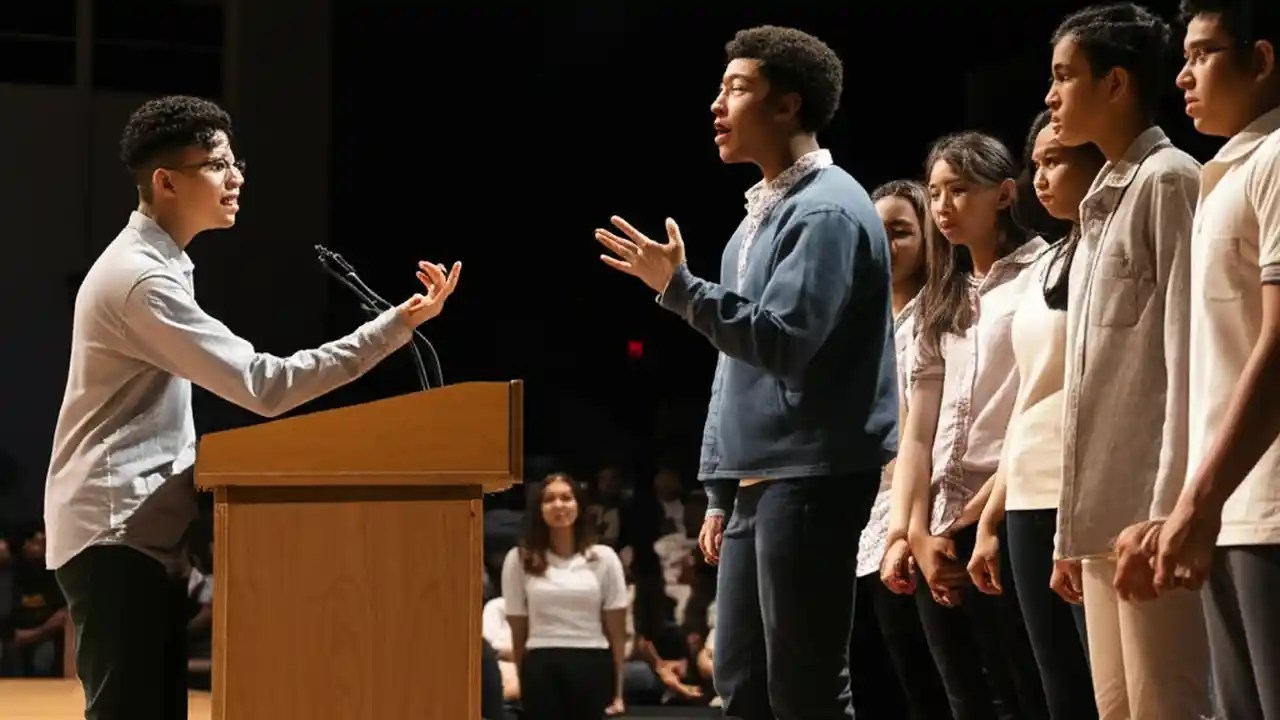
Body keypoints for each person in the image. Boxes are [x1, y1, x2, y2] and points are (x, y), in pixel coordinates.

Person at [44, 94, 460, 720]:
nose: (236, 178)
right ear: (165, 182)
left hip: (133, 532)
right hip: (115, 531)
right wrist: (390, 328)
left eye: (235, 162)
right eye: (216, 165)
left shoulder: (161, 265)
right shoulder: (142, 280)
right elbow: (265, 385)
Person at [594, 25, 897, 719]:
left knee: (806, 689)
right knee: (742, 687)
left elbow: (784, 343)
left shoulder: (825, 209)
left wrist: (681, 288)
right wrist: (721, 487)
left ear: (788, 106)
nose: (716, 105)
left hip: (811, 474)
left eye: (735, 88)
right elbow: (736, 368)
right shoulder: (759, 218)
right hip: (762, 478)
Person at [1044, 4, 1213, 717]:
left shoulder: (1170, 177)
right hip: (1102, 516)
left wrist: (1168, 509)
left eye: (1063, 77)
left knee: (1166, 705)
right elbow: (1092, 384)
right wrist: (1069, 531)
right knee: (1116, 709)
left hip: (1148, 511)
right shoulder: (1102, 200)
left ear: (1115, 84)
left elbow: (1186, 350)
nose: (1050, 96)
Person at [1112, 2, 1280, 717]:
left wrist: (1197, 500)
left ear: (1262, 60)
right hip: (1229, 510)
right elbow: (1199, 371)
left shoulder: (1275, 160)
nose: (1183, 76)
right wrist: (1181, 503)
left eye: (1204, 55)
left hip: (1268, 508)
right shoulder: (1228, 170)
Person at [883, 131, 1047, 720]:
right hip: (940, 522)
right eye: (935, 192)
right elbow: (918, 434)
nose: (944, 206)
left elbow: (1036, 405)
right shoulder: (940, 298)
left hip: (1005, 513)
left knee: (1029, 688)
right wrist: (914, 532)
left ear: (1004, 193)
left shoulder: (1043, 273)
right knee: (961, 699)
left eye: (959, 190)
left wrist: (981, 521)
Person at [967, 110, 1104, 720]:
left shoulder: (1108, 248)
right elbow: (1029, 396)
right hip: (1026, 492)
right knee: (1058, 686)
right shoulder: (1050, 262)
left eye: (1057, 161)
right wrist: (993, 518)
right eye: (1037, 164)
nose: (1039, 178)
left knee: (1108, 679)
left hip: (1090, 486)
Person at [854, 179, 949, 720]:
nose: (886, 246)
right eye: (876, 232)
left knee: (925, 682)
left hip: (918, 511)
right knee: (874, 680)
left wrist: (910, 526)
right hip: (863, 514)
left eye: (901, 232)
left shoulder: (941, 313)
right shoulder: (863, 323)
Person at [501, 473, 629, 719]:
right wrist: (523, 679)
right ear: (539, 509)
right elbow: (518, 630)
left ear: (579, 506)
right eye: (549, 499)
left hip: (592, 660)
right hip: (541, 662)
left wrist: (619, 691)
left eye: (566, 498)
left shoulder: (604, 558)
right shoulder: (520, 559)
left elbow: (617, 630)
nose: (558, 505)